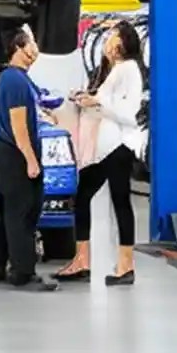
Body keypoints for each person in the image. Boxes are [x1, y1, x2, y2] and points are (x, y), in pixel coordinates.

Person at [55, 20, 146, 286]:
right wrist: (87, 98)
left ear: (122, 42)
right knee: (83, 197)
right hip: (104, 150)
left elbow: (128, 114)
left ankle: (124, 265)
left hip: (118, 147)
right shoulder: (113, 71)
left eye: (112, 35)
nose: (107, 41)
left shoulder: (128, 70)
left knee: (118, 202)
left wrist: (98, 102)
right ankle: (83, 260)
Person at [0, 26, 59, 292]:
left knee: (4, 212)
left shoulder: (18, 79)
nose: (35, 50)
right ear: (19, 48)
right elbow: (18, 126)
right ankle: (23, 271)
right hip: (15, 155)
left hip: (7, 154)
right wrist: (31, 161)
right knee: (22, 213)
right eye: (31, 44)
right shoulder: (14, 80)